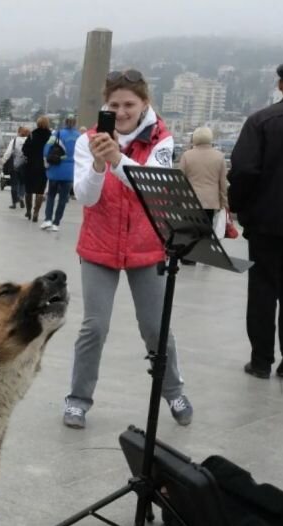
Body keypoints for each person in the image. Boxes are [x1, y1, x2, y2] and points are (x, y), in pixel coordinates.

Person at [62, 69, 193, 429]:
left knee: (155, 327)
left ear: (144, 104)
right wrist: (100, 165)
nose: (121, 112)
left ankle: (174, 390)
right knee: (95, 327)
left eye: (129, 105)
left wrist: (118, 158)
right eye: (114, 105)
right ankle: (77, 398)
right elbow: (85, 197)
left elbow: (151, 189)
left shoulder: (162, 139)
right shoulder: (88, 140)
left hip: (146, 245)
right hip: (99, 244)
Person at [230, 58, 283, 378]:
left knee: (263, 286)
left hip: (265, 220)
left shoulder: (261, 120)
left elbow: (245, 170)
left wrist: (241, 209)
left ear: (280, 84)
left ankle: (261, 360)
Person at [177, 126, 227, 263]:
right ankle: (204, 255)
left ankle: (188, 258)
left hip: (190, 200)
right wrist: (223, 202)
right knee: (206, 229)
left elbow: (180, 178)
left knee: (190, 229)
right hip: (210, 201)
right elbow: (223, 182)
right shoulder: (219, 156)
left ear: (195, 138)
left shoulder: (187, 155)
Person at [40, 115, 80, 231]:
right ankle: (56, 223)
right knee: (63, 198)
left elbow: (47, 148)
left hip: (56, 169)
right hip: (70, 170)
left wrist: (47, 158)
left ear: (65, 122)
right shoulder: (79, 136)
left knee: (51, 195)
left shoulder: (57, 134)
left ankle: (48, 219)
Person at [21, 116, 51, 222]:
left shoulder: (32, 135)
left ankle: (28, 210)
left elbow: (24, 149)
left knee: (28, 189)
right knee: (40, 190)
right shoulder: (50, 136)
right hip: (43, 166)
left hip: (30, 165)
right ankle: (36, 212)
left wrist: (30, 154)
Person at [0, 125, 29, 209]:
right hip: (25, 166)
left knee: (14, 184)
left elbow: (8, 153)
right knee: (23, 183)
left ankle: (14, 203)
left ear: (19, 132)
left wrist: (3, 161)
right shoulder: (29, 141)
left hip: (15, 165)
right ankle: (21, 197)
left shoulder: (14, 140)